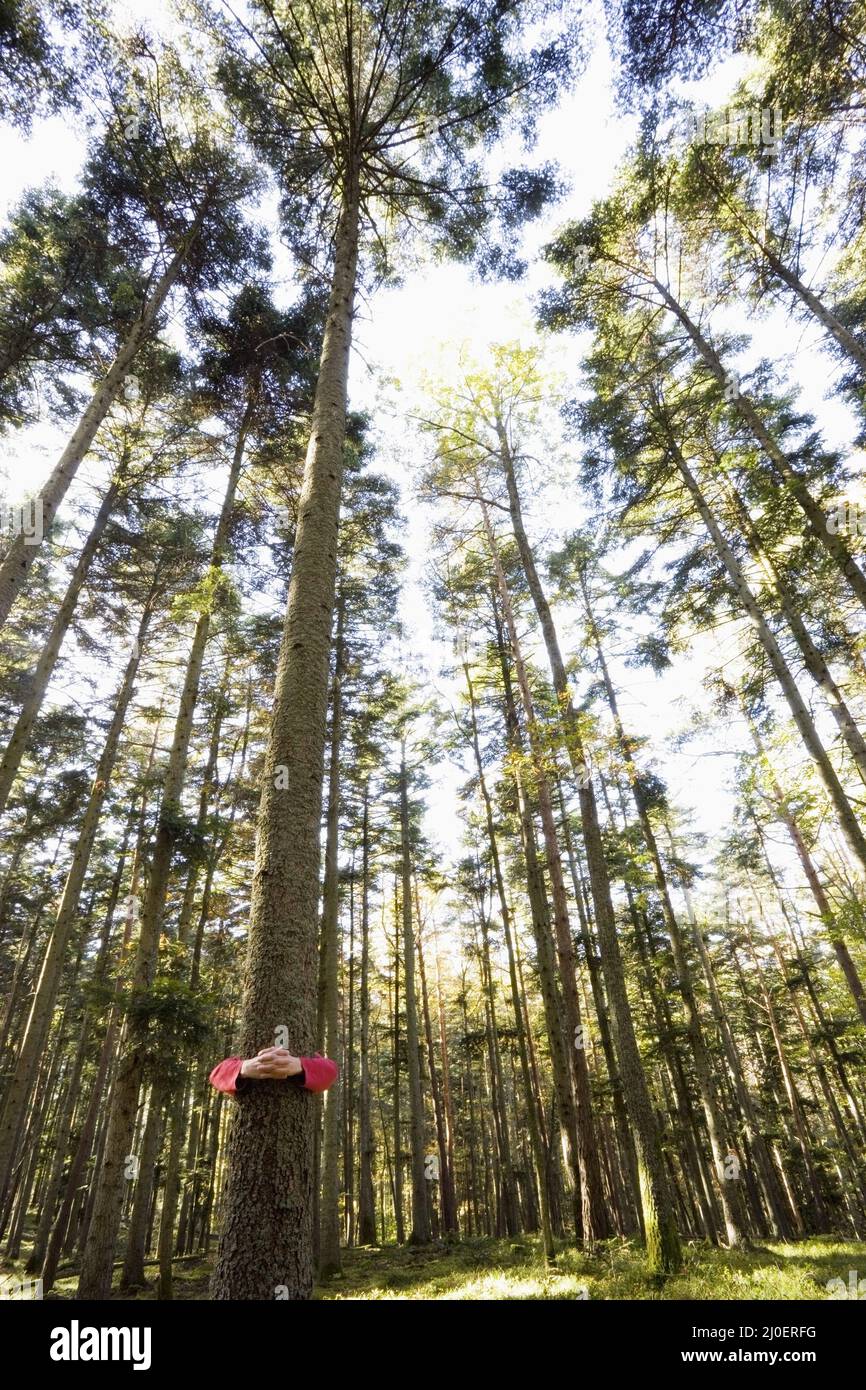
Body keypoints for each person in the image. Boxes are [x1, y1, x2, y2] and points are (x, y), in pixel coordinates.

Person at [209, 1046, 338, 1097]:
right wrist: (244, 1068)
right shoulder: (240, 1051)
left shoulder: (311, 1052)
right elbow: (216, 1075)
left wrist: (301, 1065)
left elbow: (331, 1071)